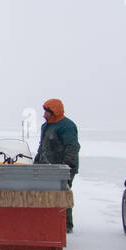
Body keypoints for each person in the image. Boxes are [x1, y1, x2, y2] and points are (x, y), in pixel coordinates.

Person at [34, 98, 79, 231]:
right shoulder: (46, 126)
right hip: (46, 166)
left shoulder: (67, 126)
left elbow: (72, 146)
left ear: (53, 112)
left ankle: (65, 225)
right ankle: (50, 221)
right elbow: (42, 146)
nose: (43, 115)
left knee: (63, 194)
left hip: (63, 167)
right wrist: (37, 162)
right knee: (47, 195)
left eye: (46, 112)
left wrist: (67, 166)